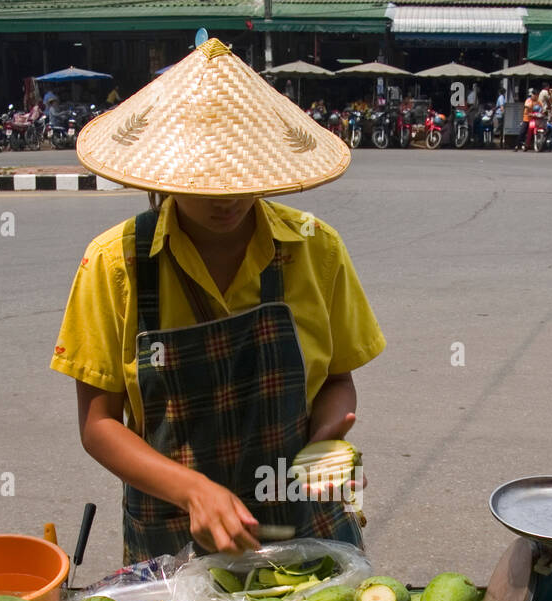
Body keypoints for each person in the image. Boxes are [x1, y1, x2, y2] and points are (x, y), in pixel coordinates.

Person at [52, 39, 383, 562]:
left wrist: (324, 438)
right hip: (170, 530)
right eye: (203, 182)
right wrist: (193, 491)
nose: (225, 197)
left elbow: (339, 380)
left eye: (241, 176)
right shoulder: (114, 263)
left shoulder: (315, 249)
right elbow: (99, 426)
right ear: (164, 169)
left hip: (298, 513)